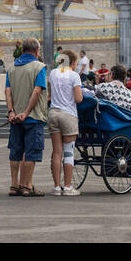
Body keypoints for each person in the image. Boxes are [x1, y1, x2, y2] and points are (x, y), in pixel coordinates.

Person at [6, 37, 48, 197]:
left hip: (15, 118)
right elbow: (37, 91)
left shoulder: (11, 68)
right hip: (33, 117)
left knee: (16, 150)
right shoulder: (39, 67)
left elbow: (7, 91)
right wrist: (27, 112)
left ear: (23, 50)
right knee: (31, 151)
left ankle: (14, 184)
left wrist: (11, 111)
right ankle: (27, 186)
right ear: (37, 51)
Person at [47, 50, 84, 196]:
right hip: (68, 115)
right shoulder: (74, 76)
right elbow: (78, 98)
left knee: (56, 152)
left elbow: (50, 95)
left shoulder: (53, 74)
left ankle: (57, 187)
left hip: (53, 113)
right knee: (68, 152)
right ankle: (68, 187)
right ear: (73, 62)